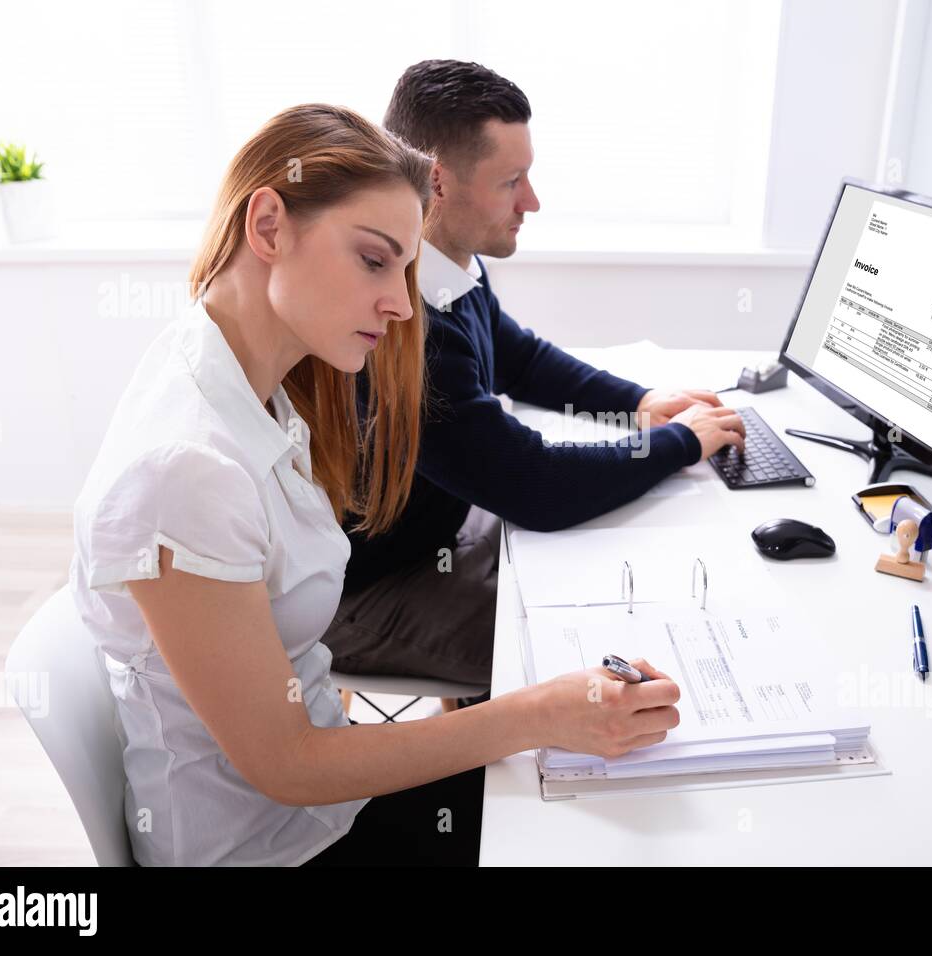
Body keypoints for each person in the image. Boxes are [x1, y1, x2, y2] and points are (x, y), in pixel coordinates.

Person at [69, 103, 680, 866]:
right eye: (374, 260)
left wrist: (537, 718)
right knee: (612, 828)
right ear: (268, 227)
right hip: (276, 847)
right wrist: (534, 716)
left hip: (328, 804)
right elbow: (288, 764)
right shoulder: (186, 470)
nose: (399, 304)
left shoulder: (249, 373)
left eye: (405, 267)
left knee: (604, 803)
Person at [324, 61, 746, 694]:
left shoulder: (446, 266)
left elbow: (517, 355)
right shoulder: (403, 321)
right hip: (364, 596)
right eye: (512, 182)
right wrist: (681, 442)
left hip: (438, 531)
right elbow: (536, 486)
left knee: (615, 560)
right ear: (436, 181)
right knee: (592, 657)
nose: (532, 202)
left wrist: (638, 402)